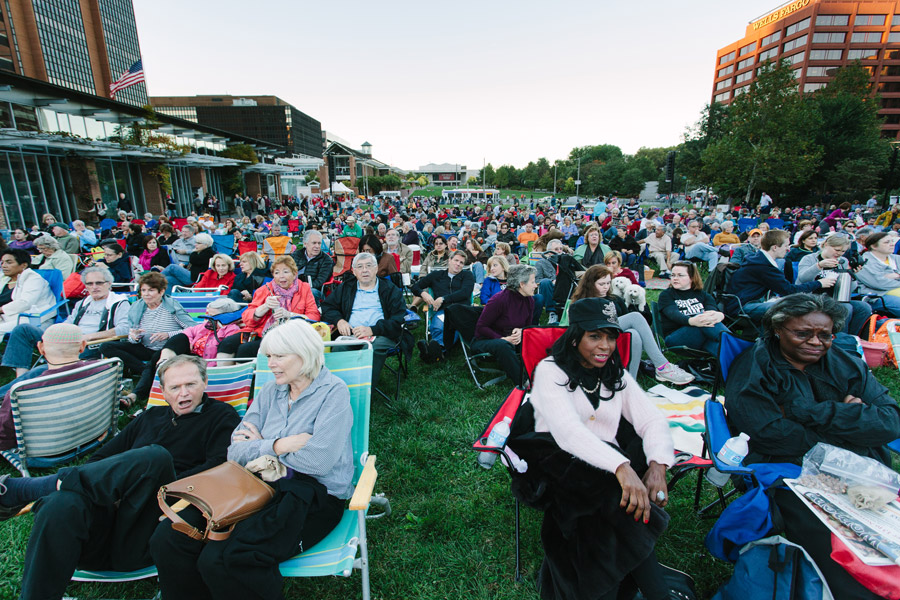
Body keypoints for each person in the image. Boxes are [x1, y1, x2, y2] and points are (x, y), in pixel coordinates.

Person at [0, 355, 240, 599]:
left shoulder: (222, 416)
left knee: (155, 458)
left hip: (149, 526)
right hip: (99, 531)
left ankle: (34, 488)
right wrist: (114, 483)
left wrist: (141, 481)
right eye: (175, 387)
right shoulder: (150, 416)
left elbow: (217, 468)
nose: (183, 394)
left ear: (205, 382)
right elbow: (98, 460)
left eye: (191, 385)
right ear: (163, 392)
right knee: (61, 503)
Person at [150, 321, 352, 600]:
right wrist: (279, 445)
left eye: (279, 356)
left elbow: (318, 462)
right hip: (255, 484)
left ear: (304, 354)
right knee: (169, 537)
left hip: (310, 495)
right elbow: (234, 451)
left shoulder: (333, 393)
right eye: (268, 356)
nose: (271, 364)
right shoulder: (271, 391)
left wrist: (257, 446)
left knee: (226, 558)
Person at [724, 295, 900, 600]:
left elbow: (890, 421)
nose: (816, 342)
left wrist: (811, 412)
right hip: (788, 468)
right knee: (831, 536)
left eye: (825, 335)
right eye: (802, 333)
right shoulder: (755, 367)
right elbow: (769, 433)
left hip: (861, 468)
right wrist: (852, 425)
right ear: (777, 330)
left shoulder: (847, 364)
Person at [509, 297, 674, 600]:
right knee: (612, 491)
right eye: (595, 336)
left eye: (611, 337)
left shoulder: (615, 374)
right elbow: (567, 432)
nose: (605, 346)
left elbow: (651, 419)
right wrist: (622, 468)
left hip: (597, 460)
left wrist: (657, 465)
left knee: (604, 504)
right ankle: (657, 592)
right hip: (546, 455)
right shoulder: (550, 370)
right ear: (575, 339)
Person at [571, 266, 693, 384]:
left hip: (616, 340)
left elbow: (629, 323)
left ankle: (631, 383)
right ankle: (662, 366)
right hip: (594, 338)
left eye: (608, 283)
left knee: (634, 334)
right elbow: (576, 328)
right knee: (635, 317)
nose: (606, 287)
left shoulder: (615, 299)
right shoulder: (582, 302)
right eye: (601, 284)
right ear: (590, 284)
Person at [1, 267, 129, 377]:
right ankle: (20, 376)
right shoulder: (83, 303)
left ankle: (11, 393)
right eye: (89, 284)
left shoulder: (118, 303)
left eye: (99, 283)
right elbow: (69, 322)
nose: (94, 287)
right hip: (66, 340)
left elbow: (124, 329)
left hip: (89, 345)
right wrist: (55, 332)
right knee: (23, 329)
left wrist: (89, 336)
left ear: (109, 283)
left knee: (41, 371)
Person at [125, 297, 244, 405]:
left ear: (226, 316)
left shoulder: (231, 330)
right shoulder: (205, 326)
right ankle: (143, 387)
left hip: (205, 364)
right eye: (208, 315)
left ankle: (142, 396)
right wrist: (191, 341)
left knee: (157, 358)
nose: (208, 319)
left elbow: (223, 350)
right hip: (191, 358)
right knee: (161, 353)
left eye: (212, 316)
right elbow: (188, 332)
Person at [99, 272, 194, 401]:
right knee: (106, 346)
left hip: (167, 351)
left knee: (155, 358)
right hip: (145, 346)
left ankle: (135, 396)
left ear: (161, 292)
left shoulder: (171, 307)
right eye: (143, 290)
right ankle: (145, 370)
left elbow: (191, 329)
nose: (146, 294)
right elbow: (132, 337)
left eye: (151, 290)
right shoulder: (138, 308)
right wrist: (134, 336)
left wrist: (167, 334)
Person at [322, 252, 407, 385]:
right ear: (354, 271)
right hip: (351, 334)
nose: (365, 270)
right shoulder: (346, 288)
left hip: (381, 335)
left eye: (368, 266)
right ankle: (339, 390)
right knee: (339, 348)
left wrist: (372, 330)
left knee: (371, 350)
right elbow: (327, 307)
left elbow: (399, 318)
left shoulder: (390, 290)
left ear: (376, 268)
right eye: (360, 267)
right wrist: (340, 320)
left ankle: (363, 393)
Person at [217, 255, 320, 361]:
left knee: (245, 350)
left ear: (294, 274)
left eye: (285, 272)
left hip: (289, 335)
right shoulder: (264, 289)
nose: (281, 276)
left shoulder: (304, 288)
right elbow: (248, 319)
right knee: (226, 344)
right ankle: (227, 376)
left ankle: (246, 376)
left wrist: (290, 315)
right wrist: (264, 307)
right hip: (260, 331)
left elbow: (314, 317)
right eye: (277, 273)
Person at [725, 230, 835, 322]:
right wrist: (819, 283)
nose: (788, 249)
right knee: (788, 308)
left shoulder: (758, 260)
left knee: (786, 304)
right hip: (741, 307)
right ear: (775, 247)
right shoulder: (763, 266)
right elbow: (789, 290)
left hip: (745, 301)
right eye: (786, 245)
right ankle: (770, 342)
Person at [795, 234, 872, 336]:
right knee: (845, 308)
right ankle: (840, 340)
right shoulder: (809, 258)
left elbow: (851, 289)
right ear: (826, 244)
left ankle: (852, 337)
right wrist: (819, 266)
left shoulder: (842, 261)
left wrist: (852, 276)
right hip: (812, 297)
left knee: (863, 307)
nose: (839, 254)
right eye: (837, 250)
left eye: (843, 251)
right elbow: (803, 279)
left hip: (834, 297)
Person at [472, 264, 537, 384]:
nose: (535, 285)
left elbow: (528, 325)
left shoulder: (529, 300)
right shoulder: (499, 300)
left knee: (538, 336)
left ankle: (545, 372)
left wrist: (521, 330)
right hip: (487, 340)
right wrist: (502, 338)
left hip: (512, 339)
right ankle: (523, 382)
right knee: (503, 345)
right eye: (532, 282)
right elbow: (481, 328)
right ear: (521, 284)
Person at [410, 250, 475, 361]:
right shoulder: (436, 275)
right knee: (438, 326)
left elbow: (465, 292)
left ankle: (434, 350)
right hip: (443, 312)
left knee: (452, 326)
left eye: (461, 262)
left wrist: (443, 299)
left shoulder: (467, 275)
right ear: (449, 260)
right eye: (456, 260)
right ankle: (437, 352)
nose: (458, 264)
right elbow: (415, 287)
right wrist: (423, 293)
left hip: (461, 311)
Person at [657, 261, 730, 356]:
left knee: (724, 350)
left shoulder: (703, 295)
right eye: (673, 275)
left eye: (680, 275)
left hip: (703, 335)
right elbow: (673, 314)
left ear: (691, 277)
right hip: (677, 337)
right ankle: (736, 343)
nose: (675, 278)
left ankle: (742, 357)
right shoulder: (666, 295)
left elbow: (711, 312)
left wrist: (719, 315)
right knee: (703, 319)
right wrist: (692, 321)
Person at [0, 249, 57, 334]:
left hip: (29, 316)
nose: (4, 266)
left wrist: (1, 310)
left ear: (23, 265)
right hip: (6, 315)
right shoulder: (4, 278)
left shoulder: (33, 279)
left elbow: (25, 303)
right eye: (2, 262)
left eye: (9, 262)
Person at [855, 231, 900, 316]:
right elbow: (879, 283)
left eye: (892, 241)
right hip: (876, 296)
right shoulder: (863, 262)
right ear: (873, 246)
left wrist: (896, 276)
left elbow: (881, 280)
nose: (892, 244)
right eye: (887, 242)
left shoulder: (897, 258)